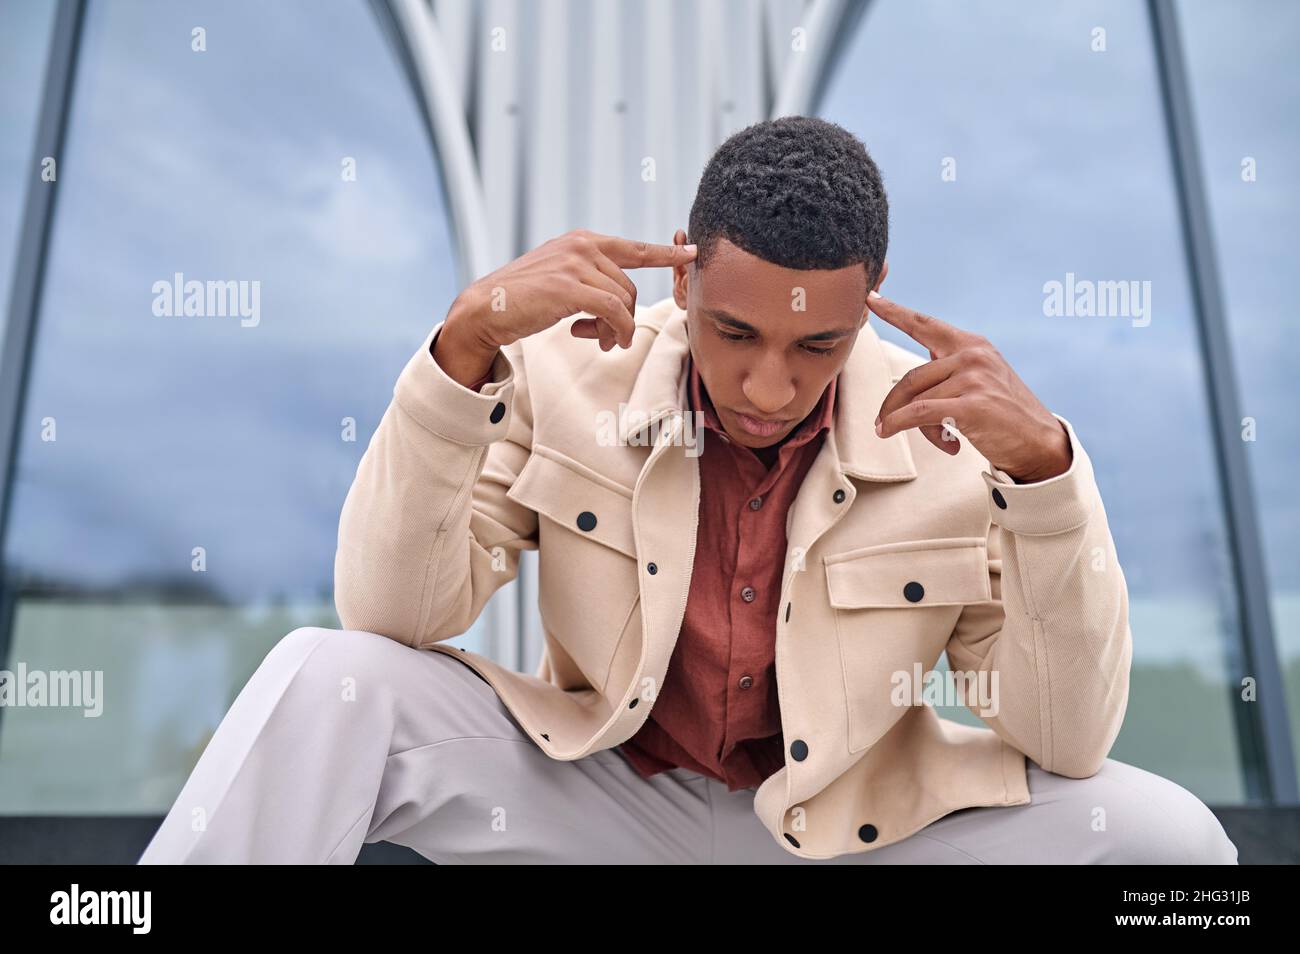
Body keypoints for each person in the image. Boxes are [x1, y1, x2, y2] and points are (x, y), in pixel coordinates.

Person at [138, 116, 1237, 864]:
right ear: (687, 270)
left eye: (818, 346)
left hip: (850, 834)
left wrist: (1046, 481)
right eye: (734, 331)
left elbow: (1065, 744)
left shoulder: (954, 442)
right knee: (328, 673)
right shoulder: (566, 369)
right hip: (603, 797)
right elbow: (394, 617)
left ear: (874, 299)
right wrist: (461, 348)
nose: (769, 384)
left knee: (1169, 843)